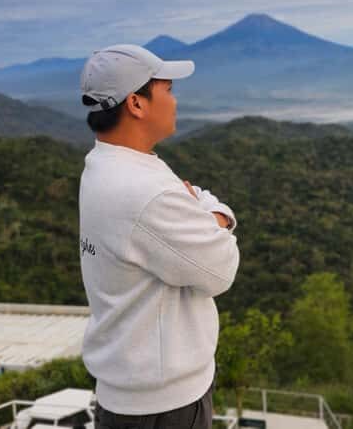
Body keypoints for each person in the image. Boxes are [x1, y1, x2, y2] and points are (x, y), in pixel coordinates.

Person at [78, 44, 240, 429]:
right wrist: (214, 214)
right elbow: (222, 269)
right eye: (167, 89)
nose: (175, 100)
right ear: (136, 103)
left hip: (128, 392)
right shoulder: (145, 191)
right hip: (165, 405)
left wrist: (196, 209)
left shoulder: (103, 167)